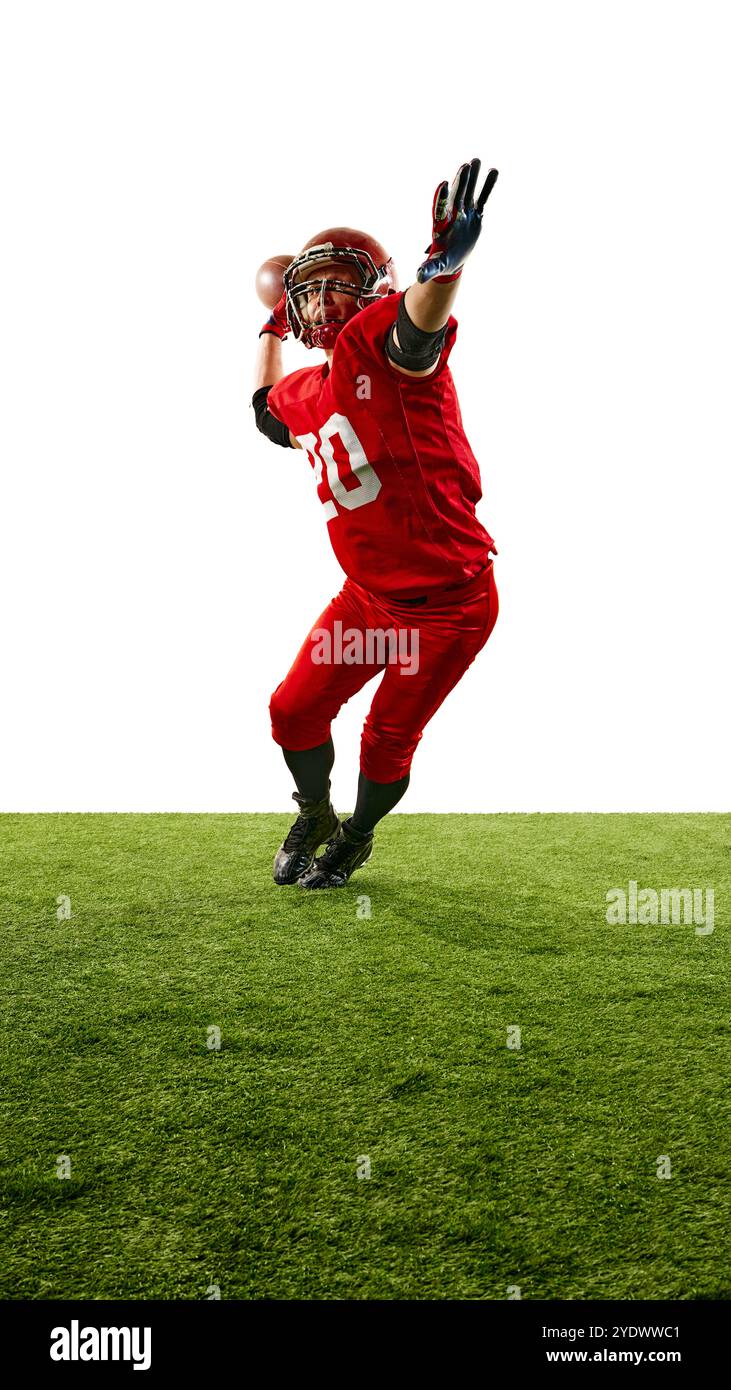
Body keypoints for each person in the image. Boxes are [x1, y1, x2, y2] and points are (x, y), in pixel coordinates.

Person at [252, 158, 500, 889]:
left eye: (338, 287)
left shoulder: (381, 347)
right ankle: (315, 810)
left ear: (374, 292)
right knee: (291, 712)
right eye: (309, 292)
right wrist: (266, 324)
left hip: (449, 606)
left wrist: (442, 268)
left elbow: (417, 333)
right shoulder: (306, 388)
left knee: (385, 741)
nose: (324, 304)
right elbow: (264, 408)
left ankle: (356, 836)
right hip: (368, 599)